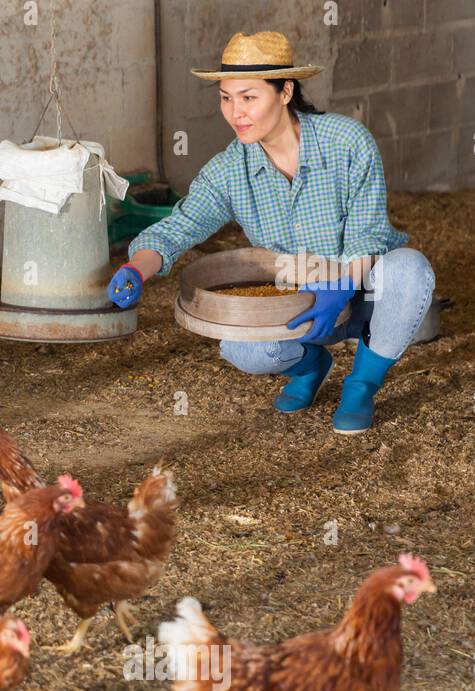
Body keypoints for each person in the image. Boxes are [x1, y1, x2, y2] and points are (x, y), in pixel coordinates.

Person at [109, 31, 435, 434]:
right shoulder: (230, 170)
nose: (235, 112)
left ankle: (361, 386)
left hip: (364, 291)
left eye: (249, 97)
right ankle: (311, 368)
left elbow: (368, 234)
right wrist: (137, 269)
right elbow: (180, 226)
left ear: (284, 92)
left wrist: (342, 286)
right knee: (241, 349)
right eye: (226, 98)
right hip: (294, 302)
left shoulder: (347, 142)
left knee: (409, 269)